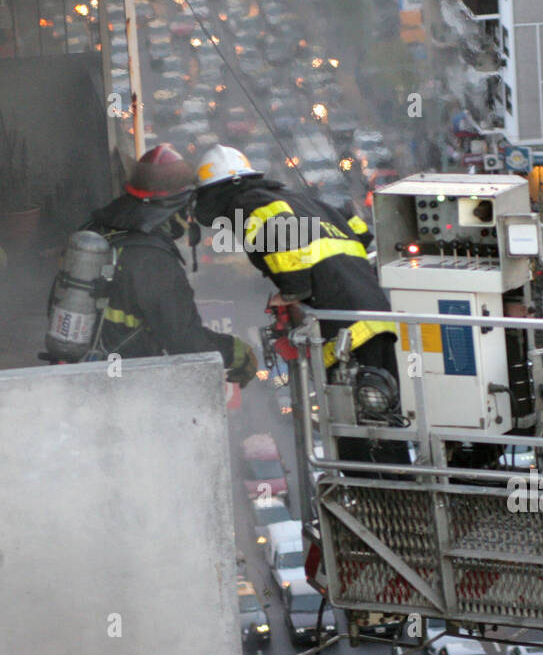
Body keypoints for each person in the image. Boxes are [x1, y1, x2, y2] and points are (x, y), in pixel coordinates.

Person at [192, 145, 408, 467]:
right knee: (383, 419)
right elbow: (361, 232)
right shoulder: (302, 201)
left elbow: (288, 262)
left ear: (216, 193)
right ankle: (397, 495)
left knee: (355, 432)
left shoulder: (250, 205)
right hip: (375, 316)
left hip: (344, 332)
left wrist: (291, 292)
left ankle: (377, 500)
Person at [81, 143, 257, 385]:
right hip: (123, 380)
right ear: (174, 208)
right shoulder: (152, 260)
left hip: (84, 364)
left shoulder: (98, 228)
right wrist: (235, 352)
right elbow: (185, 341)